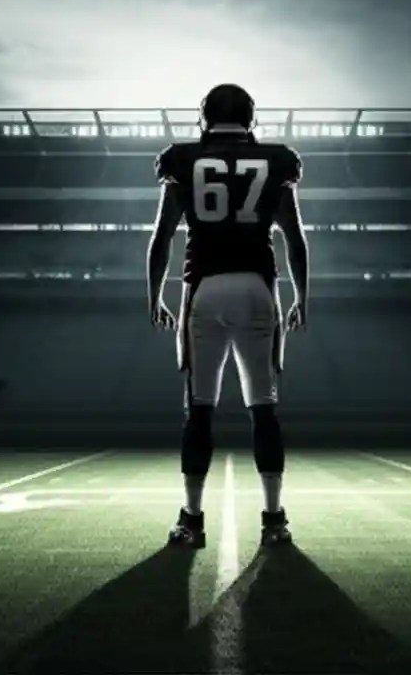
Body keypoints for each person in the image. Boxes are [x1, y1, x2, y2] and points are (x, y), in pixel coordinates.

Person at [147, 83, 309, 548]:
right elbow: (294, 240)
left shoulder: (183, 159)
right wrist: (303, 296)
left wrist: (154, 294)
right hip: (259, 287)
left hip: (205, 289)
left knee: (199, 410)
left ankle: (191, 521)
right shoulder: (276, 160)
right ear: (251, 118)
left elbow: (162, 239)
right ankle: (274, 520)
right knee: (264, 408)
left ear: (204, 117)